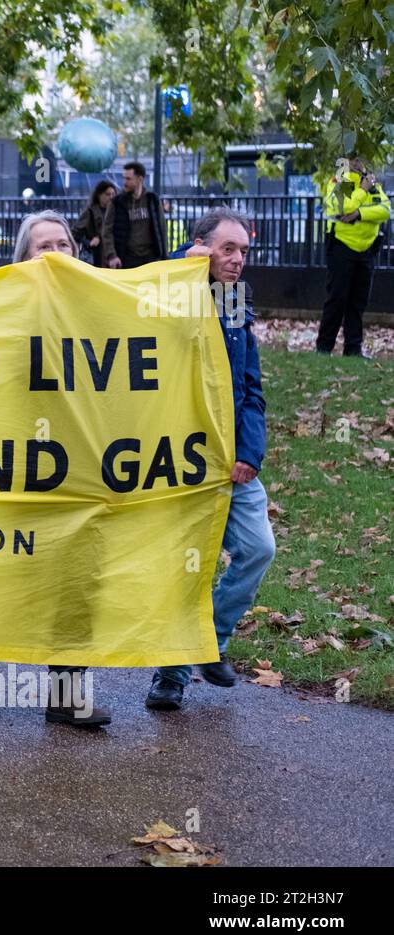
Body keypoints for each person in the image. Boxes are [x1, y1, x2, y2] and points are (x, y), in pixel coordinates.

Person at [0, 210, 112, 728]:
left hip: (78, 463)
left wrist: (190, 268)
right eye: (42, 246)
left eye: (63, 244)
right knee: (0, 566)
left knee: (75, 578)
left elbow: (159, 306)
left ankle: (65, 697)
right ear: (22, 259)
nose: (55, 253)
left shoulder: (102, 304)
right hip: (9, 460)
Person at [147, 207, 275, 709]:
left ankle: (210, 642)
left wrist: (250, 453)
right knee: (189, 567)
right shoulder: (173, 287)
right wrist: (185, 260)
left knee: (258, 549)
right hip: (179, 460)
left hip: (232, 463)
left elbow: (251, 388)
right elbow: (140, 296)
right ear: (200, 247)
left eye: (244, 250)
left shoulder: (236, 300)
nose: (238, 259)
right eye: (228, 248)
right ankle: (171, 678)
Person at [316, 158, 390, 357]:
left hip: (366, 251)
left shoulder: (372, 185)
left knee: (358, 302)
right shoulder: (342, 180)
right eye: (355, 159)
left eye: (362, 160)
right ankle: (323, 348)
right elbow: (343, 207)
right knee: (337, 299)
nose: (359, 164)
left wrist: (359, 213)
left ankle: (353, 349)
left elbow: (385, 210)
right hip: (342, 248)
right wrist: (362, 191)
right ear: (347, 161)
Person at [102, 161, 167, 269]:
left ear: (139, 179)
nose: (124, 182)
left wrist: (164, 256)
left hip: (151, 258)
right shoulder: (117, 202)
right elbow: (107, 231)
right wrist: (112, 255)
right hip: (127, 258)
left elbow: (162, 228)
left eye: (128, 179)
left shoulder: (152, 200)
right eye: (124, 178)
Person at [72, 180, 116, 266]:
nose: (111, 197)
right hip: (97, 257)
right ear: (99, 195)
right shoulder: (90, 212)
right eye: (107, 194)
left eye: (113, 194)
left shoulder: (116, 211)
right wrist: (88, 242)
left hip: (112, 256)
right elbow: (74, 233)